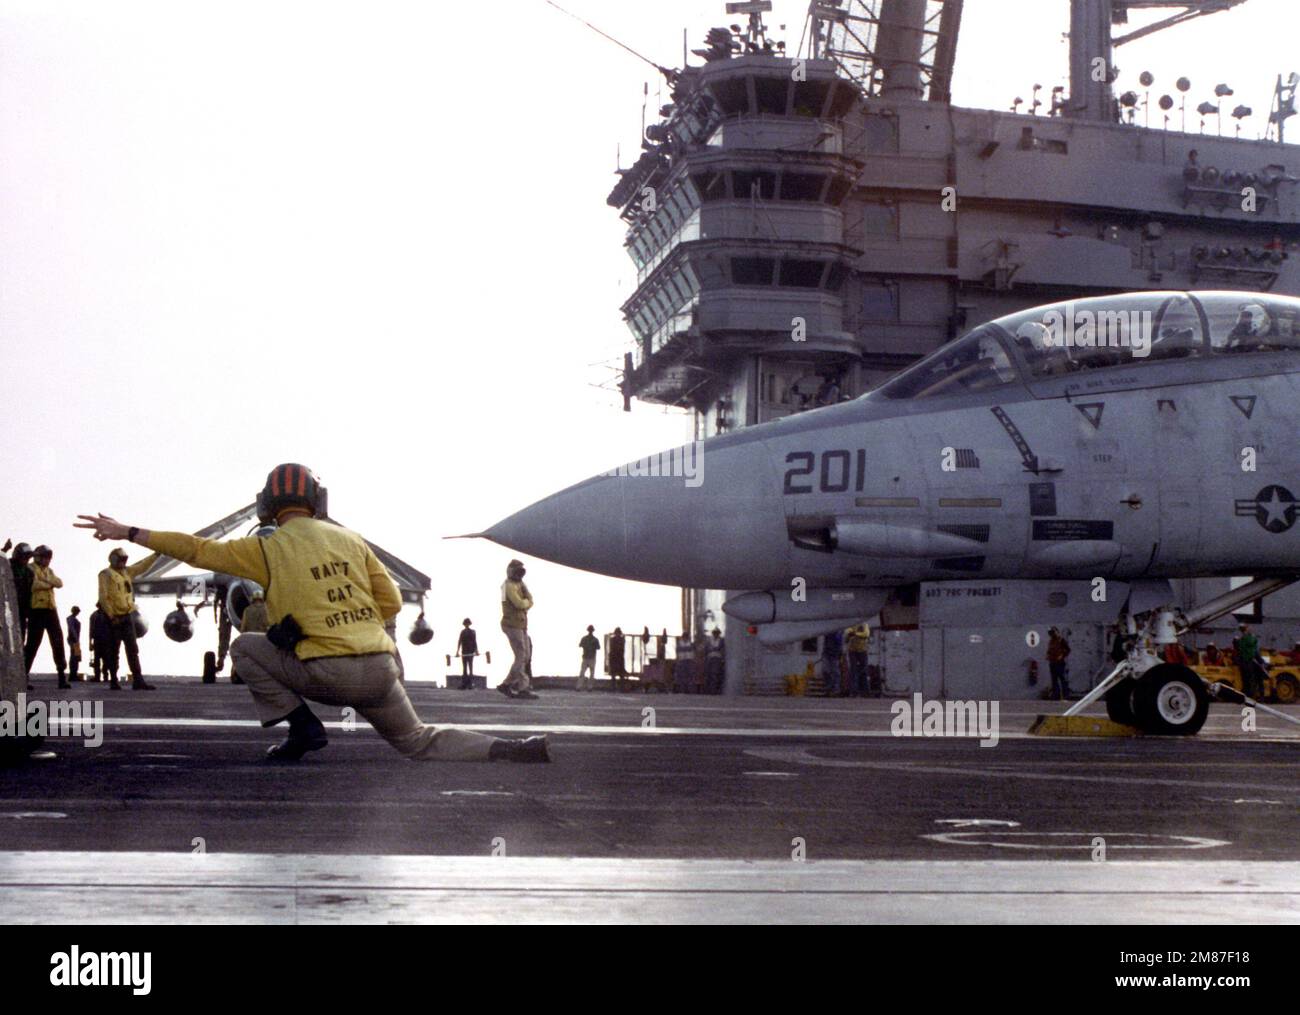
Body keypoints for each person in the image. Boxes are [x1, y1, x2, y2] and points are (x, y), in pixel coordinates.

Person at [76, 463, 548, 763]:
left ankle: (302, 727)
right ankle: (511, 749)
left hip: (328, 673)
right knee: (419, 741)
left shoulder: (266, 548)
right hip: (383, 670)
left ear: (266, 506)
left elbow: (197, 551)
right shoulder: (352, 540)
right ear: (317, 501)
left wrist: (129, 531)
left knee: (244, 646)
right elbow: (387, 603)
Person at [96, 546, 160, 691]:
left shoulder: (126, 573)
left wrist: (156, 555)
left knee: (133, 649)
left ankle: (138, 680)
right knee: (114, 650)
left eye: (125, 560)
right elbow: (103, 597)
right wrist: (111, 616)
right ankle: (113, 680)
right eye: (121, 560)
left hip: (127, 616)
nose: (123, 563)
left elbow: (142, 567)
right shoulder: (105, 574)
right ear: (113, 560)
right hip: (114, 618)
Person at [24, 545, 69, 689]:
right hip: (36, 611)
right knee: (32, 644)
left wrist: (47, 582)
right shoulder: (30, 568)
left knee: (58, 642)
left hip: (50, 610)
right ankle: (23, 675)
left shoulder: (49, 571)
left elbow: (60, 583)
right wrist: (49, 583)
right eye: (45, 558)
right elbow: (33, 585)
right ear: (38, 557)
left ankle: (62, 676)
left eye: (48, 558)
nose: (47, 561)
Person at [498, 559, 536, 700]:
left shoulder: (519, 583)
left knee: (524, 657)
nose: (520, 574)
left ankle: (513, 685)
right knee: (521, 656)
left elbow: (531, 598)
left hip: (521, 625)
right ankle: (517, 686)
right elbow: (520, 603)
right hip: (512, 625)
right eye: (518, 571)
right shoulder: (507, 586)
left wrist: (526, 602)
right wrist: (527, 603)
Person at [8, 542, 34, 646]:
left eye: (28, 557)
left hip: (22, 610)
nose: (26, 559)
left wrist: (29, 614)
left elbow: (30, 594)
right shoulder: (7, 565)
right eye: (24, 556)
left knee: (20, 639)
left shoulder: (29, 573)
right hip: (7, 607)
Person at [1233, 624, 1263, 699]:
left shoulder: (1243, 640)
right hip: (1249, 661)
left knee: (1246, 679)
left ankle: (1248, 694)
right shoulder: (1250, 639)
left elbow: (1240, 650)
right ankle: (1251, 694)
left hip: (1245, 662)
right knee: (1250, 679)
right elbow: (1255, 651)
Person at [845, 622, 871, 697]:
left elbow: (866, 634)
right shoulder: (851, 625)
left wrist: (855, 634)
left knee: (864, 670)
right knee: (853, 671)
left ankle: (865, 691)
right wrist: (850, 634)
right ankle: (854, 691)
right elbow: (847, 632)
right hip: (852, 650)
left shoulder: (864, 624)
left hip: (863, 650)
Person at [1046, 627, 1071, 700]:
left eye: (1052, 632)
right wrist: (1048, 655)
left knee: (1062, 679)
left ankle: (1065, 695)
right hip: (1052, 662)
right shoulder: (1051, 641)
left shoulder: (1061, 640)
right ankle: (1056, 695)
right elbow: (1049, 650)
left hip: (1059, 662)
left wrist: (1062, 656)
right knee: (1054, 680)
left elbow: (1068, 650)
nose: (1051, 634)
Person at [88, 605, 111, 682]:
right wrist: (90, 642)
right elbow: (91, 630)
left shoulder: (107, 614)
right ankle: (98, 676)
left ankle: (104, 676)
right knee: (98, 659)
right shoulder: (94, 615)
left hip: (105, 640)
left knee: (105, 659)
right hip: (98, 640)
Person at [456, 618, 478, 690]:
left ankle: (470, 684)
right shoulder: (462, 632)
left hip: (470, 652)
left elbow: (475, 642)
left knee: (470, 667)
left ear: (469, 624)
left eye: (468, 623)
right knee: (464, 668)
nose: (467, 625)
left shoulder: (473, 632)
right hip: (464, 652)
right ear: (464, 624)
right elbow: (459, 642)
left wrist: (476, 651)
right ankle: (464, 684)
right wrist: (457, 651)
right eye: (466, 624)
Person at [821, 629, 843, 697]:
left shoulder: (838, 631)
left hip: (834, 653)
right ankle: (828, 687)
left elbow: (839, 641)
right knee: (825, 670)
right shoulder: (827, 631)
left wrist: (839, 653)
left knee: (835, 671)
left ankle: (836, 689)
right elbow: (825, 641)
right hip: (827, 652)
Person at [577, 625, 600, 691]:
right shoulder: (595, 639)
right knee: (589, 673)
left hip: (588, 657)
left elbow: (580, 645)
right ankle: (588, 687)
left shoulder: (585, 638)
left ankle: (580, 686)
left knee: (584, 673)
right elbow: (598, 647)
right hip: (590, 658)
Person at [705, 627, 725, 694]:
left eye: (717, 633)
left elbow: (722, 649)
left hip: (718, 659)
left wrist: (714, 649)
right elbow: (707, 649)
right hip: (710, 658)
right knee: (709, 674)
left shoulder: (721, 640)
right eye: (715, 633)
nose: (716, 634)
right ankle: (710, 690)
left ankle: (715, 690)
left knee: (716, 674)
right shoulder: (709, 640)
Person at [66, 606, 83, 682]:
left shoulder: (73, 619)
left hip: (75, 640)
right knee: (74, 657)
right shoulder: (70, 619)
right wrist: (76, 640)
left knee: (76, 657)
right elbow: (72, 629)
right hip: (74, 640)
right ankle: (72, 675)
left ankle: (74, 674)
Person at [608, 627, 626, 691]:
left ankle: (617, 688)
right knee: (617, 674)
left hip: (616, 658)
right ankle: (618, 688)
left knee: (619, 674)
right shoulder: (621, 639)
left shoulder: (613, 639)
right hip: (617, 658)